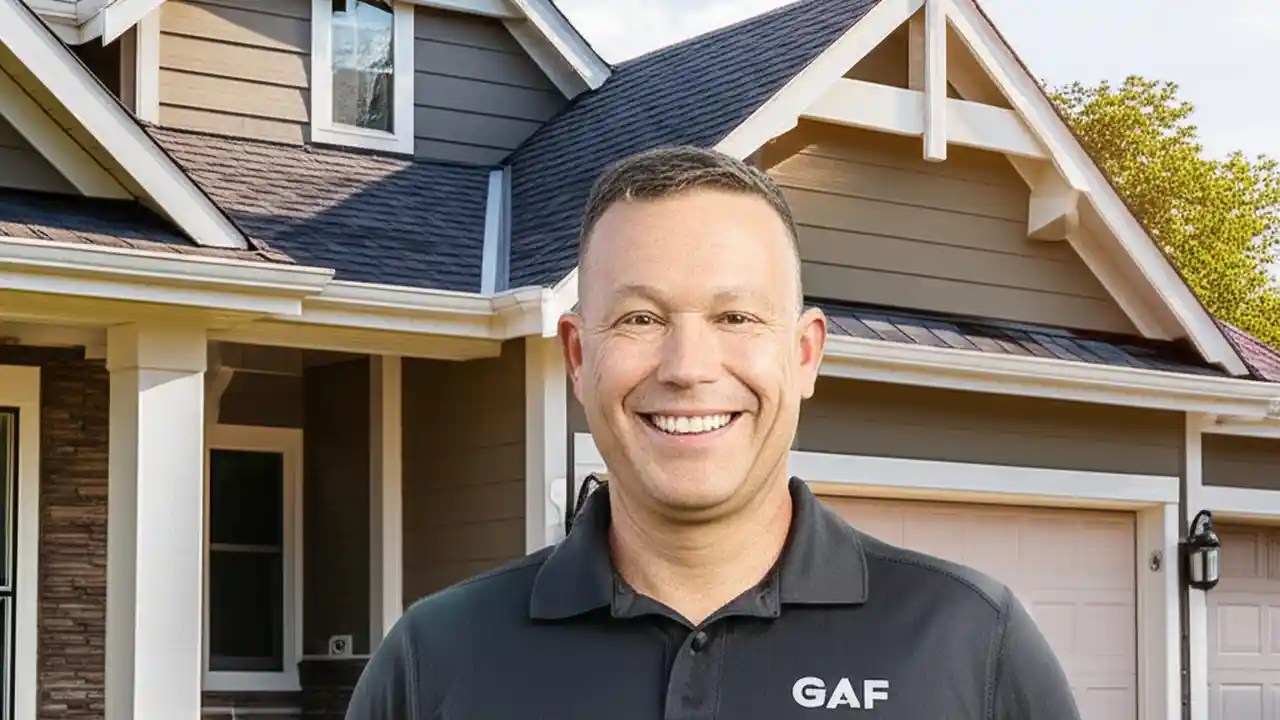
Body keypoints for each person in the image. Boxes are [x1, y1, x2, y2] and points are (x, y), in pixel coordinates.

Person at [345, 147, 1081, 719]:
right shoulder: (437, 658)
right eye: (640, 318)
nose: (688, 368)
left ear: (804, 354)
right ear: (577, 355)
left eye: (735, 317)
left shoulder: (969, 642)